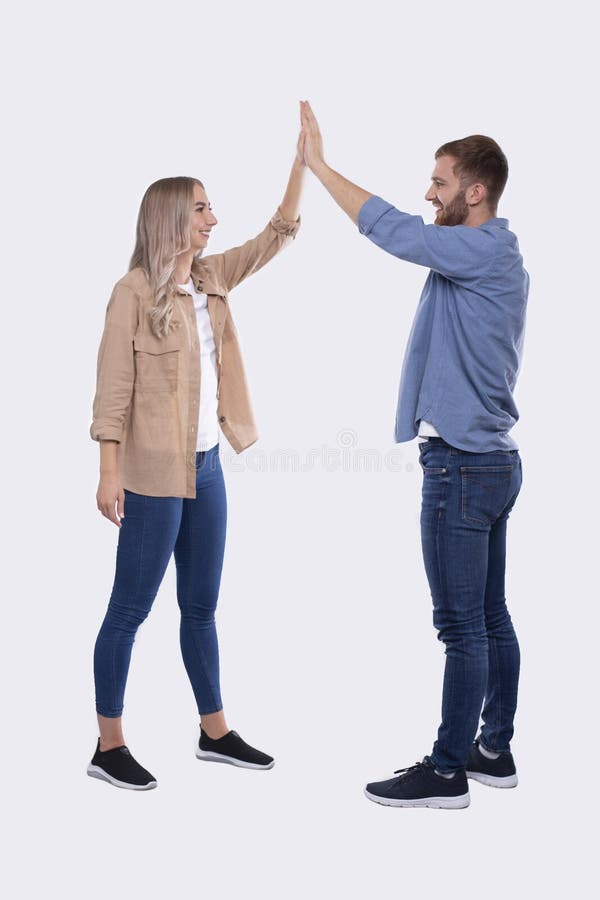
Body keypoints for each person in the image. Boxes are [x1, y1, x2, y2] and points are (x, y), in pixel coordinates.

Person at [299, 100, 528, 809]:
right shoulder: (493, 255)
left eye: (440, 181)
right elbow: (412, 230)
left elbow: (391, 231)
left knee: (461, 627)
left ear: (475, 191)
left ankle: (449, 770)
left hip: (461, 467)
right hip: (490, 464)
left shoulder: (480, 248)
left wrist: (318, 166)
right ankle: (493, 750)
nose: (429, 193)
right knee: (489, 617)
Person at [87, 120, 305, 791]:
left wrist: (302, 164)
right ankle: (109, 745)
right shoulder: (130, 293)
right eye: (203, 207)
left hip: (206, 469)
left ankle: (214, 733)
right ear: (173, 219)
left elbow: (276, 236)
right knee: (130, 610)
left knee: (202, 606)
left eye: (212, 207)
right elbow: (112, 392)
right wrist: (108, 475)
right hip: (152, 477)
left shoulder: (211, 278)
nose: (214, 218)